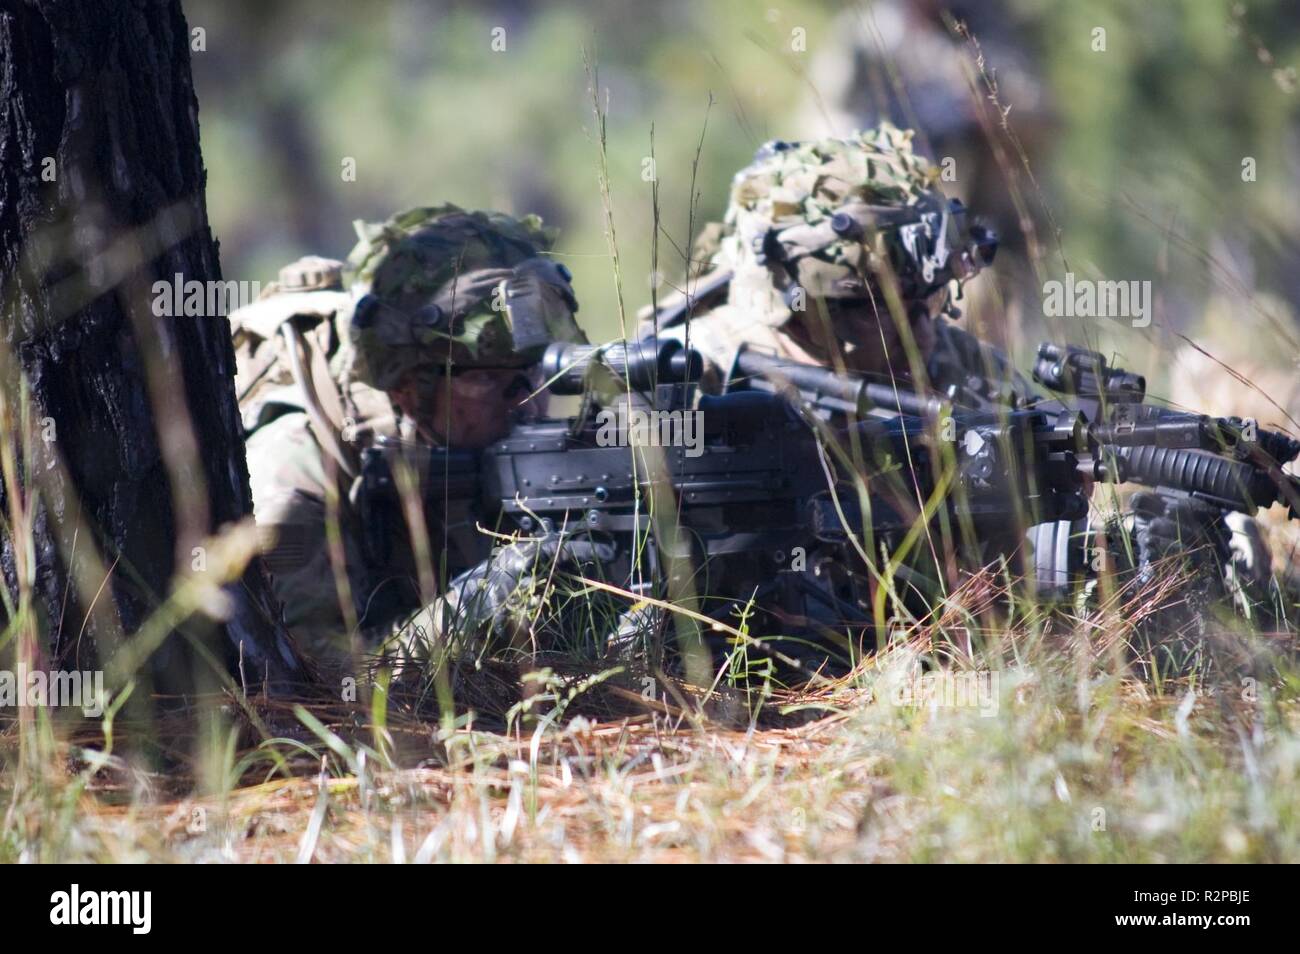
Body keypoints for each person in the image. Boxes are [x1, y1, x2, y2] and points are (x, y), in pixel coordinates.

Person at [230, 204, 587, 668]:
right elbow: (313, 681)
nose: (527, 400)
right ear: (408, 389)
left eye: (536, 371)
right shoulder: (294, 471)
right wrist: (474, 609)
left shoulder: (492, 442)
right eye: (485, 379)